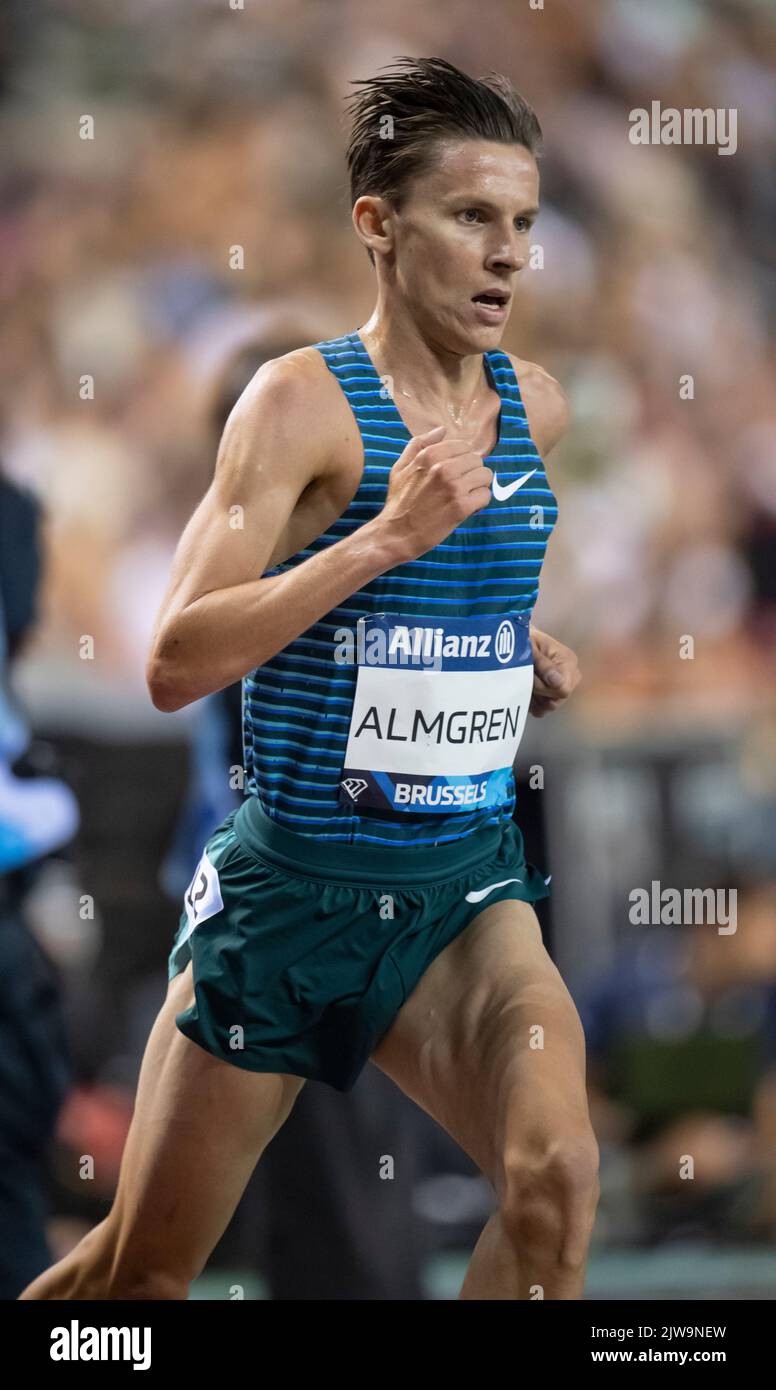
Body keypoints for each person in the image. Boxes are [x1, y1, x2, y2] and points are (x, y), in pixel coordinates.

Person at [21, 55, 596, 1302]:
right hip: (288, 906)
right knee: (138, 1280)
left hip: (461, 893)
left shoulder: (532, 407)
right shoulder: (296, 406)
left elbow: (459, 592)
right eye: (470, 218)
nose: (506, 256)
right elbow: (176, 658)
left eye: (522, 225)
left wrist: (512, 646)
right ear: (378, 227)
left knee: (552, 1180)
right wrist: (380, 538)